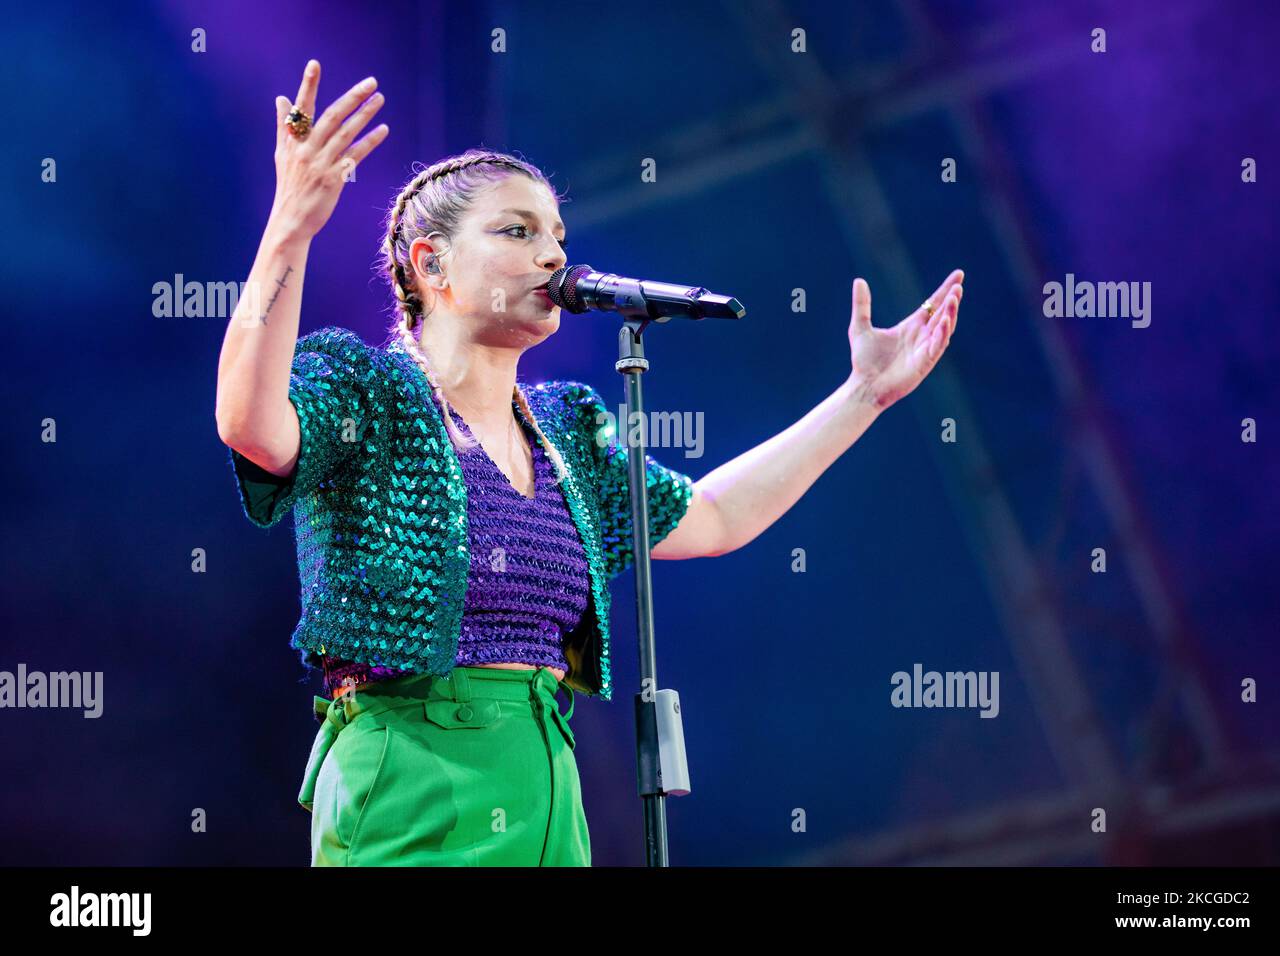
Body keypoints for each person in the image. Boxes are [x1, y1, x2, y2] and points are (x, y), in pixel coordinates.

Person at [214, 60, 965, 867]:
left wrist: (863, 397)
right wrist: (290, 225)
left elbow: (713, 517)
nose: (552, 256)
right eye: (518, 231)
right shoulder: (369, 391)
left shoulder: (567, 431)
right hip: (412, 777)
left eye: (557, 237)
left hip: (544, 783)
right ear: (431, 266)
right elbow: (250, 423)